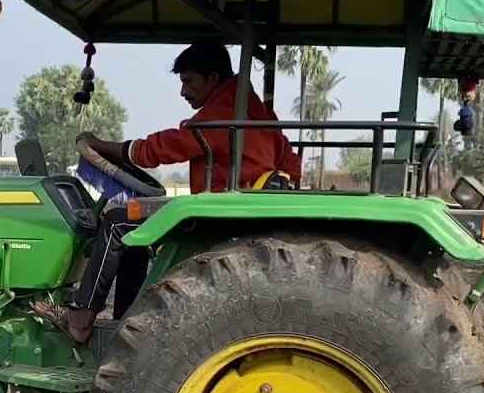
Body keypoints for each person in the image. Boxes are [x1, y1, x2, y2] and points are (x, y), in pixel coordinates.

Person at [55, 42, 303, 344]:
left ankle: (81, 317)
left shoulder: (224, 114)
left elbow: (164, 148)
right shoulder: (258, 112)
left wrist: (102, 145)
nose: (183, 92)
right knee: (134, 231)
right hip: (237, 209)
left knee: (117, 222)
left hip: (219, 216)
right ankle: (124, 321)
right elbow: (291, 164)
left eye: (188, 81)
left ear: (212, 78)